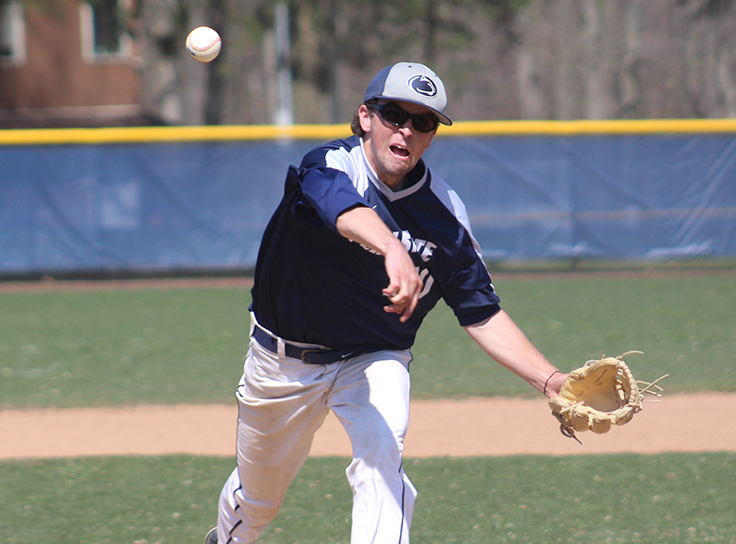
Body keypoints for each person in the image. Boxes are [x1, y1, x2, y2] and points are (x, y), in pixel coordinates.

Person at [206, 61, 567, 544]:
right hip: (284, 360)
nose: (408, 130)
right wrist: (392, 246)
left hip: (374, 356)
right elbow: (340, 207)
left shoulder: (444, 216)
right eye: (395, 114)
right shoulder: (332, 164)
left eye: (424, 122)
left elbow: (480, 310)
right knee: (260, 498)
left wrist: (551, 380)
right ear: (366, 116)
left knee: (382, 454)